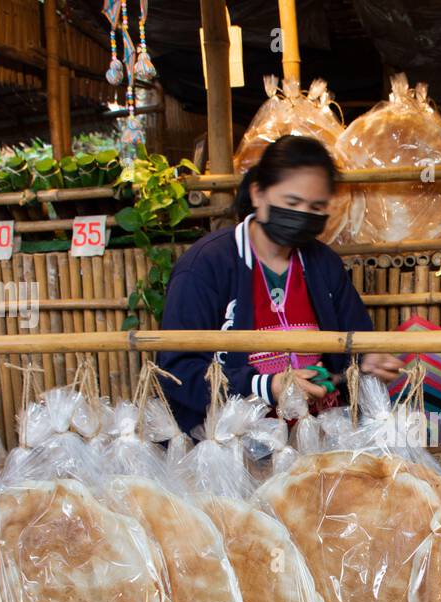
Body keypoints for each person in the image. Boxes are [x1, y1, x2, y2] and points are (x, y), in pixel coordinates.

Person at [159, 135, 403, 432]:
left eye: (315, 207)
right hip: (232, 443)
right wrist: (266, 385)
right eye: (292, 202)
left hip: (315, 435)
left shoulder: (322, 264)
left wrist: (367, 359)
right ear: (258, 194)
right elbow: (176, 371)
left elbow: (356, 338)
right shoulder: (205, 266)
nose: (302, 215)